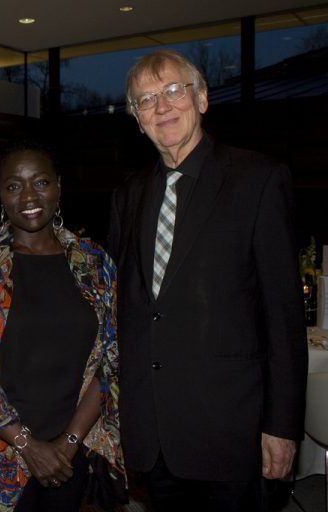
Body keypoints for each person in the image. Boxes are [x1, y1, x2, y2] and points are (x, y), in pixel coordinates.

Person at [108, 49, 307, 511]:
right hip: (154, 439)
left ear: (201, 99)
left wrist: (282, 426)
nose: (162, 106)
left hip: (231, 436)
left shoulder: (258, 181)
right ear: (137, 120)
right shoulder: (128, 196)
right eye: (146, 100)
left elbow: (283, 317)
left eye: (174, 90)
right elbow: (133, 314)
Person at [0, 142, 125, 512]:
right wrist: (28, 445)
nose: (29, 196)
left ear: (59, 186)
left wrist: (67, 444)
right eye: (14, 186)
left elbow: (110, 362)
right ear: (0, 195)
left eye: (40, 182)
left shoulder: (95, 264)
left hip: (73, 454)